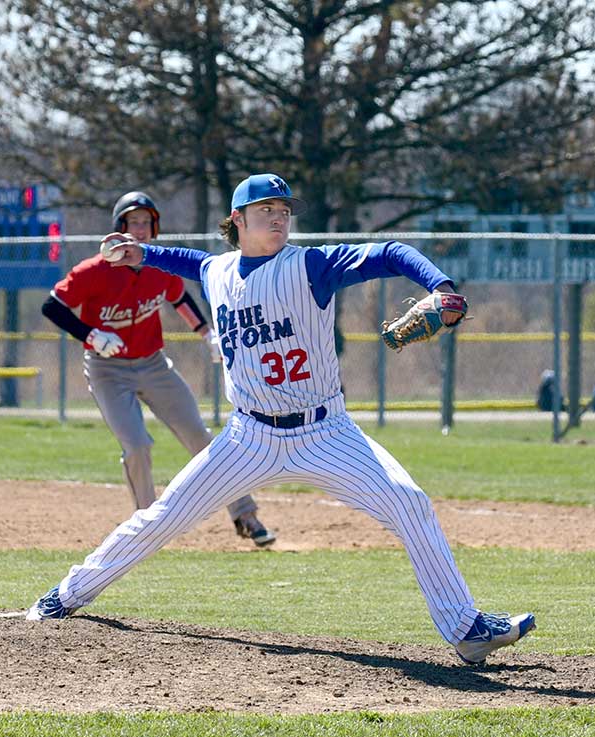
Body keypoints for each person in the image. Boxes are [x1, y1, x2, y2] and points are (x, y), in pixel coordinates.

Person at [26, 173, 535, 665]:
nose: (278, 219)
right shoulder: (217, 271)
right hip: (248, 436)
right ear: (238, 220)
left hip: (325, 431)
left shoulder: (311, 266)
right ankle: (66, 594)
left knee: (409, 503)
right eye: (265, 210)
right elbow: (186, 260)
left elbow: (390, 252)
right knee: (162, 517)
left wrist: (440, 285)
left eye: (284, 211)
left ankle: (466, 630)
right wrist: (141, 252)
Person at [40, 190, 275, 546]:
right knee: (137, 446)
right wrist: (90, 335)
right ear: (119, 228)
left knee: (202, 437)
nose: (140, 229)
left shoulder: (157, 265)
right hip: (108, 370)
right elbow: (52, 306)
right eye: (133, 222)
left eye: (146, 222)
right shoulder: (95, 271)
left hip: (154, 365)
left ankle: (246, 514)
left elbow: (179, 297)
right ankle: (146, 528)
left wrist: (206, 333)